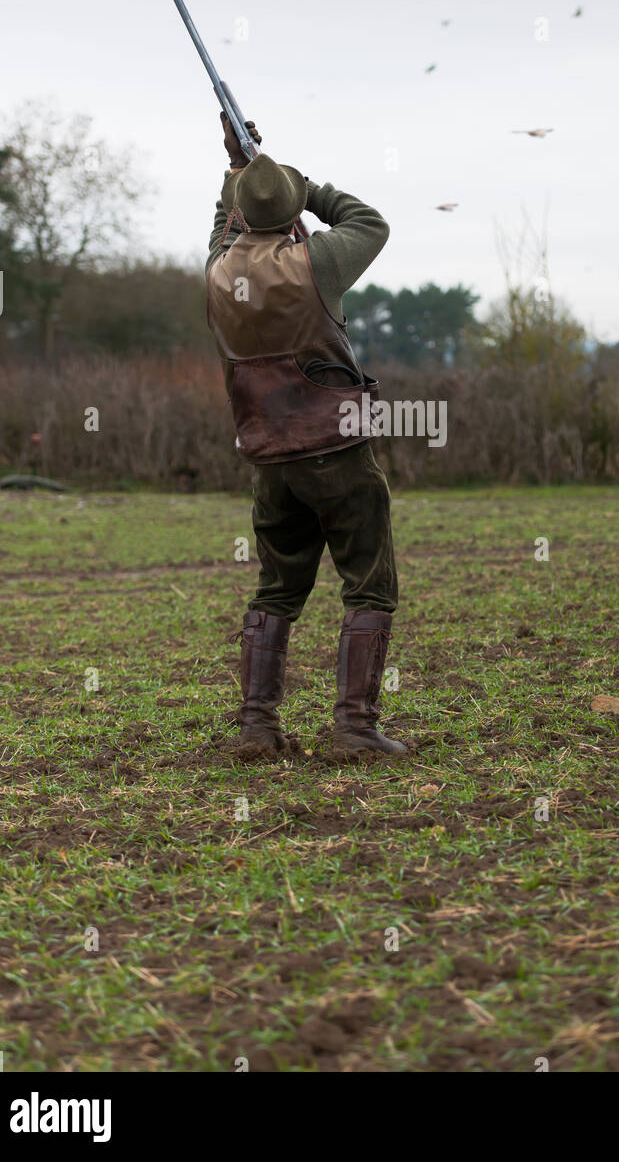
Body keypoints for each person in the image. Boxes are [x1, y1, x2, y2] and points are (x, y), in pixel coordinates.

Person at [206, 114, 405, 759]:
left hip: (267, 458)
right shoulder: (316, 261)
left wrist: (241, 169)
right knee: (368, 584)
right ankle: (353, 728)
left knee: (275, 591)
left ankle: (257, 728)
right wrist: (305, 187)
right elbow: (370, 222)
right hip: (336, 449)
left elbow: (224, 227)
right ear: (292, 211)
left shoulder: (216, 274)